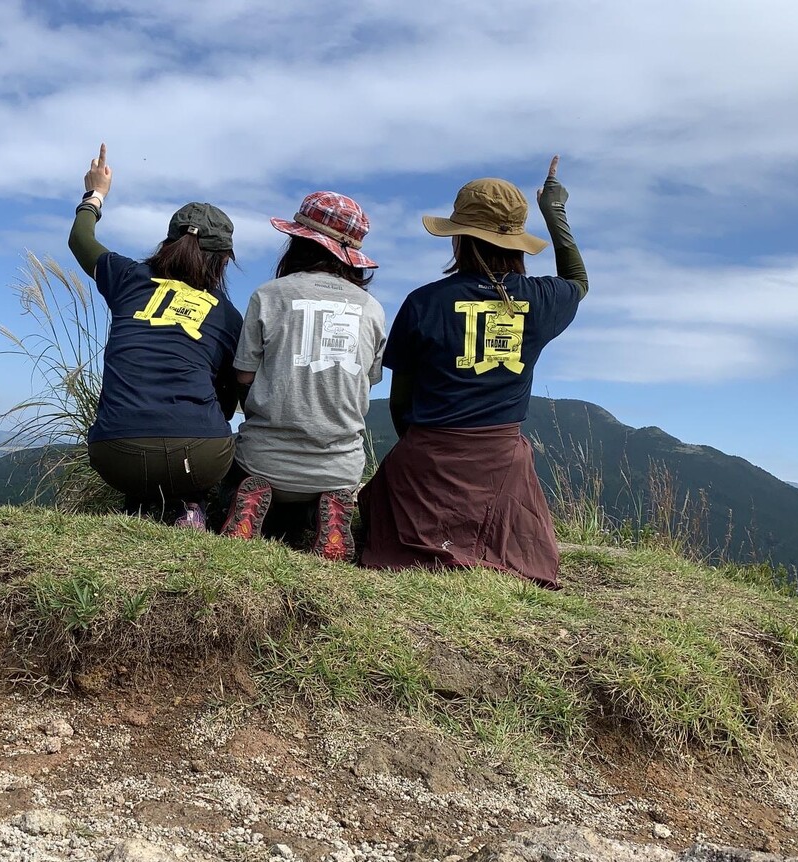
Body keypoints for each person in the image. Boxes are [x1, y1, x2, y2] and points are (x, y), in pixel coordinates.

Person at [359, 156, 588, 586]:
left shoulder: (423, 302)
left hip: (425, 460)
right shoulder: (544, 299)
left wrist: (421, 449)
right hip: (501, 464)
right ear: (518, 239)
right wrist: (554, 211)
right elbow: (578, 281)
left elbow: (401, 400)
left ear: (458, 237)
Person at [67, 143, 242, 528]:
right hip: (201, 457)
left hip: (114, 454)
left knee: (140, 459)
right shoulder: (228, 316)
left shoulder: (128, 277)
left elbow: (80, 240)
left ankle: (144, 500)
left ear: (168, 241)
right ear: (223, 258)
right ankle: (190, 505)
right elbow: (233, 396)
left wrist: (95, 193)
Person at [222, 192, 386, 562]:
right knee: (324, 493)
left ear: (298, 242)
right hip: (340, 466)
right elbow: (369, 379)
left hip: (263, 460)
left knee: (239, 474)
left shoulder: (269, 295)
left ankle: (254, 498)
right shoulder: (373, 309)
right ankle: (327, 509)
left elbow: (244, 377)